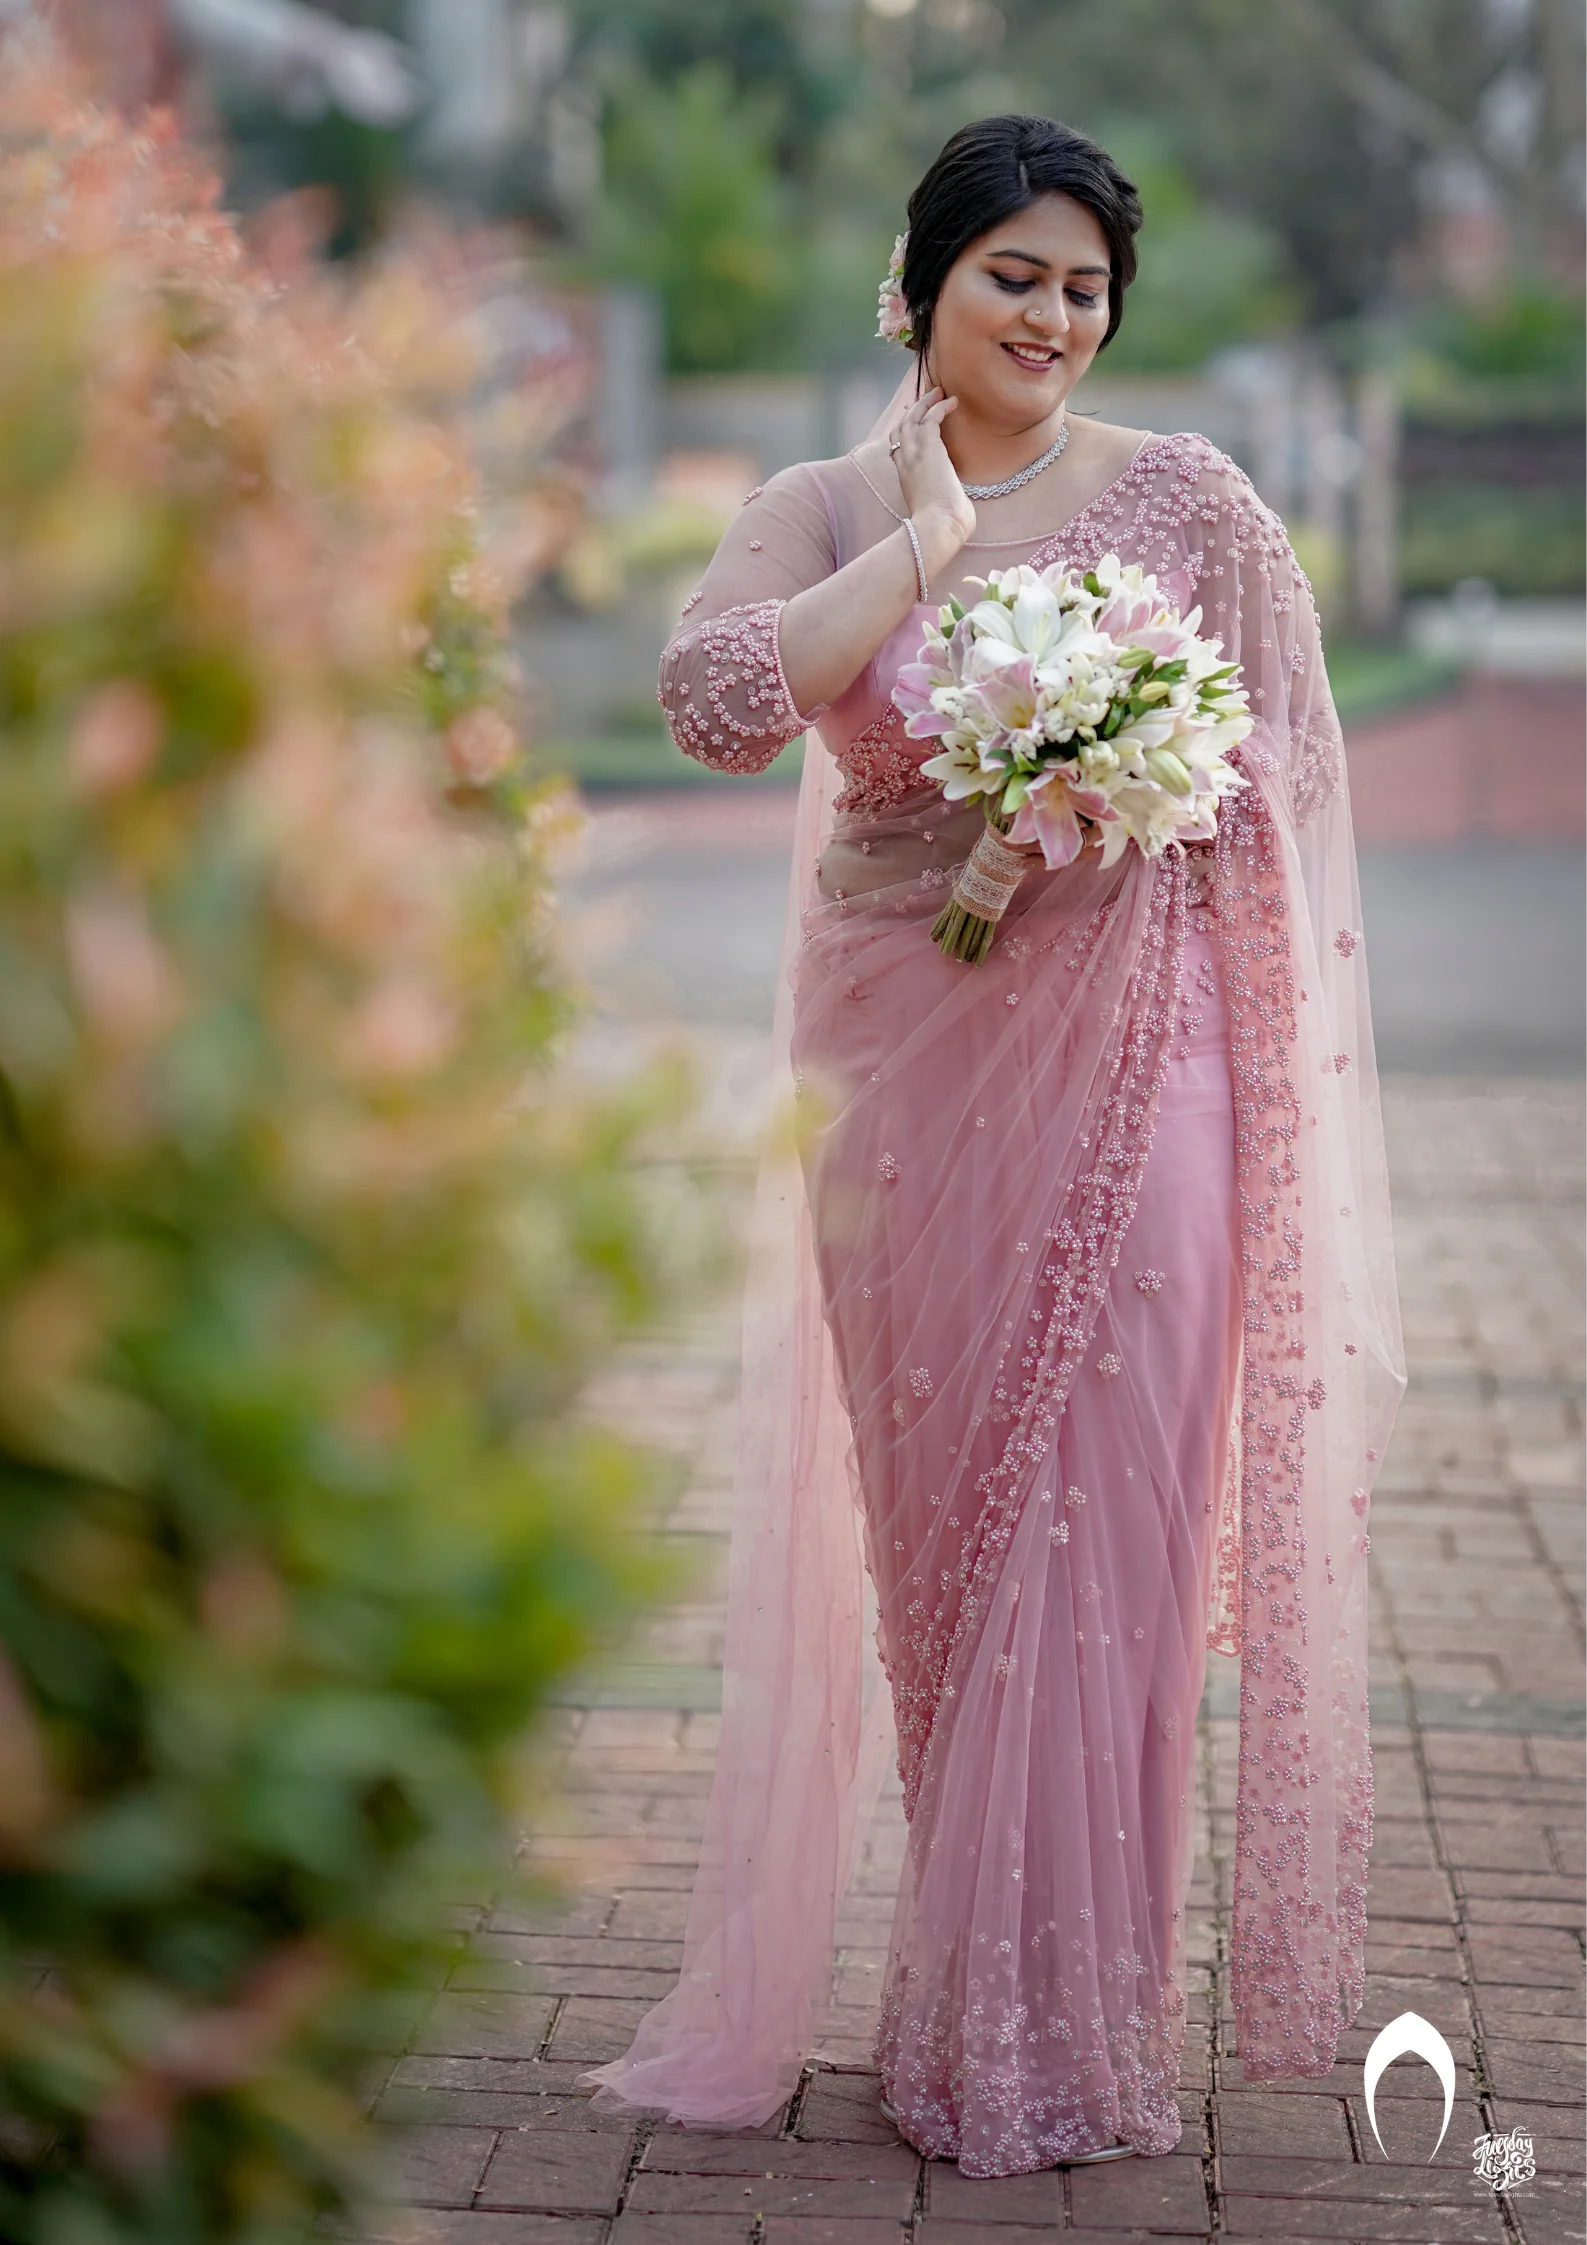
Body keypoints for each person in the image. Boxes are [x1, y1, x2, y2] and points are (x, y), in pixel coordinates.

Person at [585, 112, 1404, 2179]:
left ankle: (1058, 2032)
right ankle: (968, 1995)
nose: (1052, 315)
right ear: (919, 286)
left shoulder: (1191, 506)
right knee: (945, 1541)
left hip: (1149, 1081)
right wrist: (924, 546)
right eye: (1011, 277)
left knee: (1102, 1526)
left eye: (1082, 288)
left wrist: (1112, 791)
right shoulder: (820, 501)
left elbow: (1285, 774)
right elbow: (707, 704)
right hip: (901, 1082)